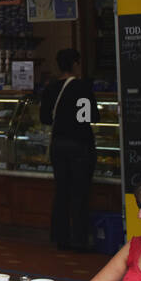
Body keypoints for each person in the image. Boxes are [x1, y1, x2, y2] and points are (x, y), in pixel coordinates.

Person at [41, 48, 97, 251]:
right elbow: (91, 117)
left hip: (58, 145)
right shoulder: (82, 87)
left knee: (61, 191)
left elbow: (45, 118)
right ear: (75, 64)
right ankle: (79, 238)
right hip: (80, 145)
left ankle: (60, 237)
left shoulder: (50, 88)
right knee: (80, 192)